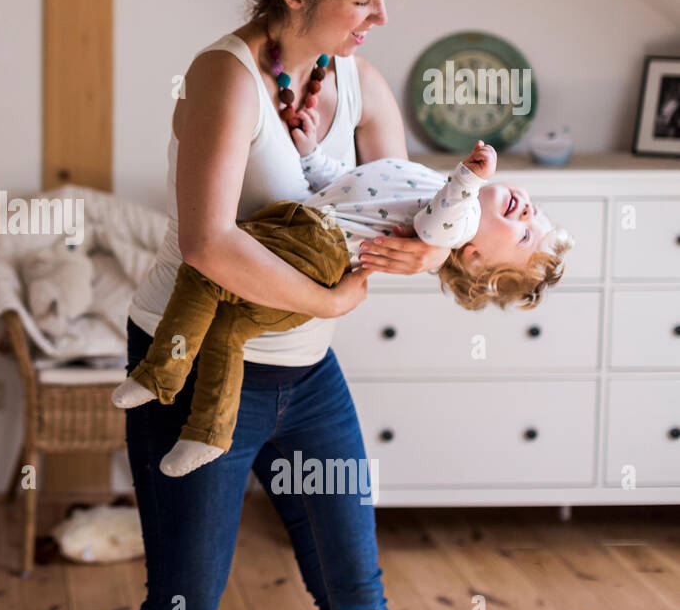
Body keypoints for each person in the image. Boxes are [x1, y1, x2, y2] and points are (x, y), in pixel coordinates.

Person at [124, 0, 458, 610]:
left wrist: (433, 255)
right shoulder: (224, 78)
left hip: (308, 374)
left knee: (358, 604)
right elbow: (210, 243)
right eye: (364, 0)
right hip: (199, 359)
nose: (379, 18)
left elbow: (406, 206)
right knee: (184, 609)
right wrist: (338, 300)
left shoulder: (363, 84)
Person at [116, 139, 574, 476]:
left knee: (204, 274)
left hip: (318, 249)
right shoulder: (435, 186)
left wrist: (471, 178)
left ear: (474, 257)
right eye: (537, 213)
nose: (528, 213)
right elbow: (353, 183)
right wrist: (311, 153)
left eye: (526, 235)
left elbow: (441, 224)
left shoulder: (459, 216)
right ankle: (209, 433)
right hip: (312, 244)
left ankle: (161, 374)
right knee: (227, 331)